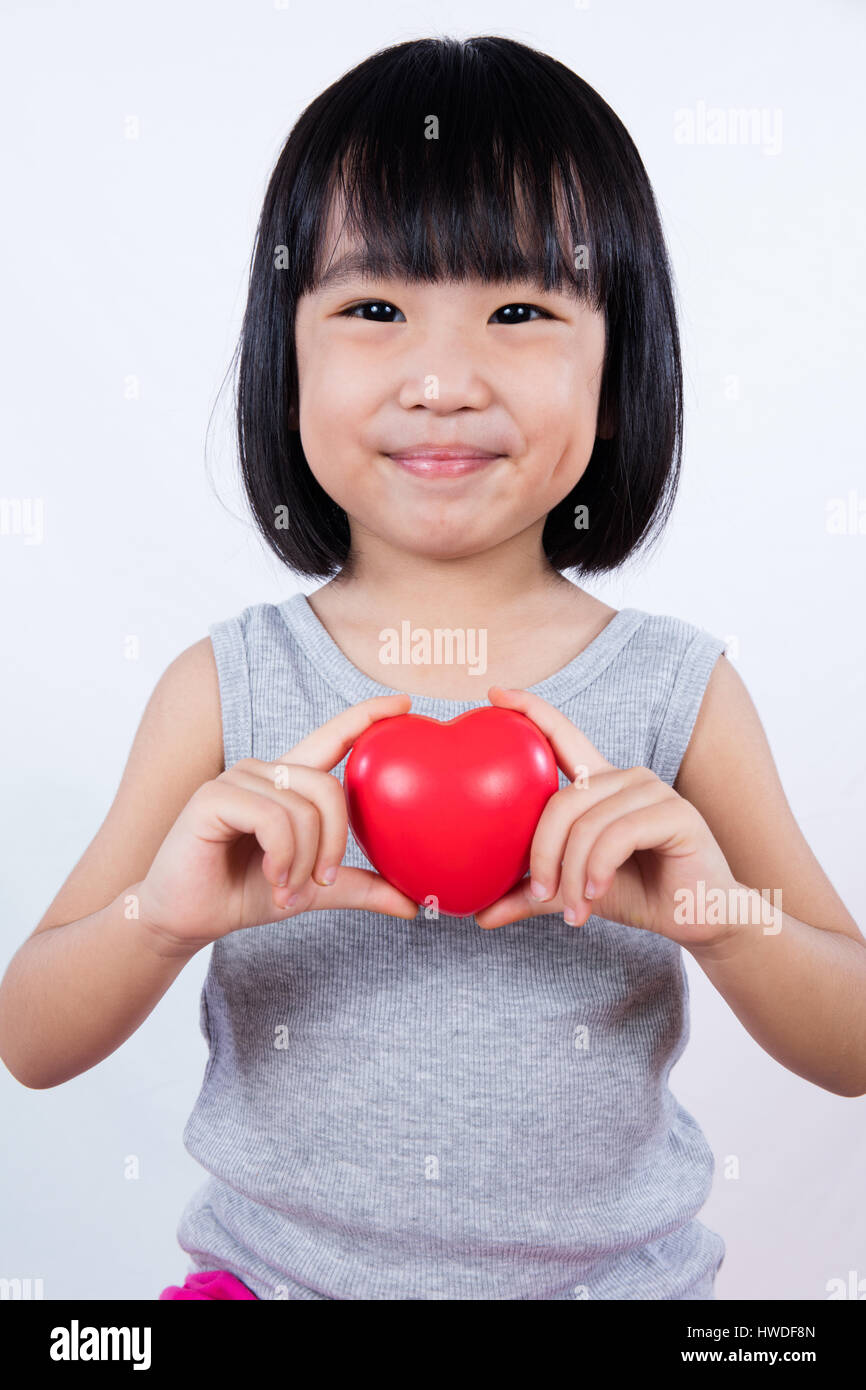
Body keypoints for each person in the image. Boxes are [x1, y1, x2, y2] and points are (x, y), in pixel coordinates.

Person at [2, 34, 863, 1303]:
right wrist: (163, 918)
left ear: (617, 371)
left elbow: (848, 1046)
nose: (443, 381)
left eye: (519, 311)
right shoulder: (223, 684)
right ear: (283, 358)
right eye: (372, 310)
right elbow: (30, 1036)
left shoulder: (676, 689)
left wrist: (713, 916)